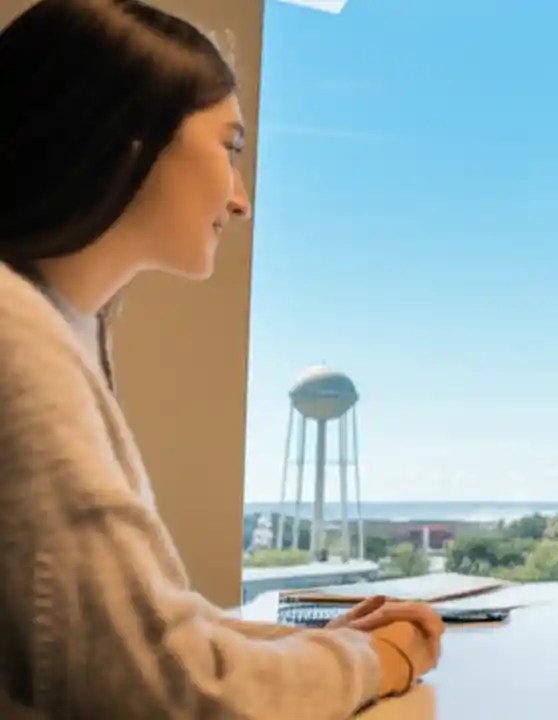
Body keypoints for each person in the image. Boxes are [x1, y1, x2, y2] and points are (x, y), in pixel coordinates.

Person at [0, 1, 443, 717]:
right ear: (130, 141)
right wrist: (375, 662)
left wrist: (297, 650)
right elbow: (159, 686)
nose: (240, 200)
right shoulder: (14, 335)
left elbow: (135, 634)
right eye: (229, 148)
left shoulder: (57, 326)